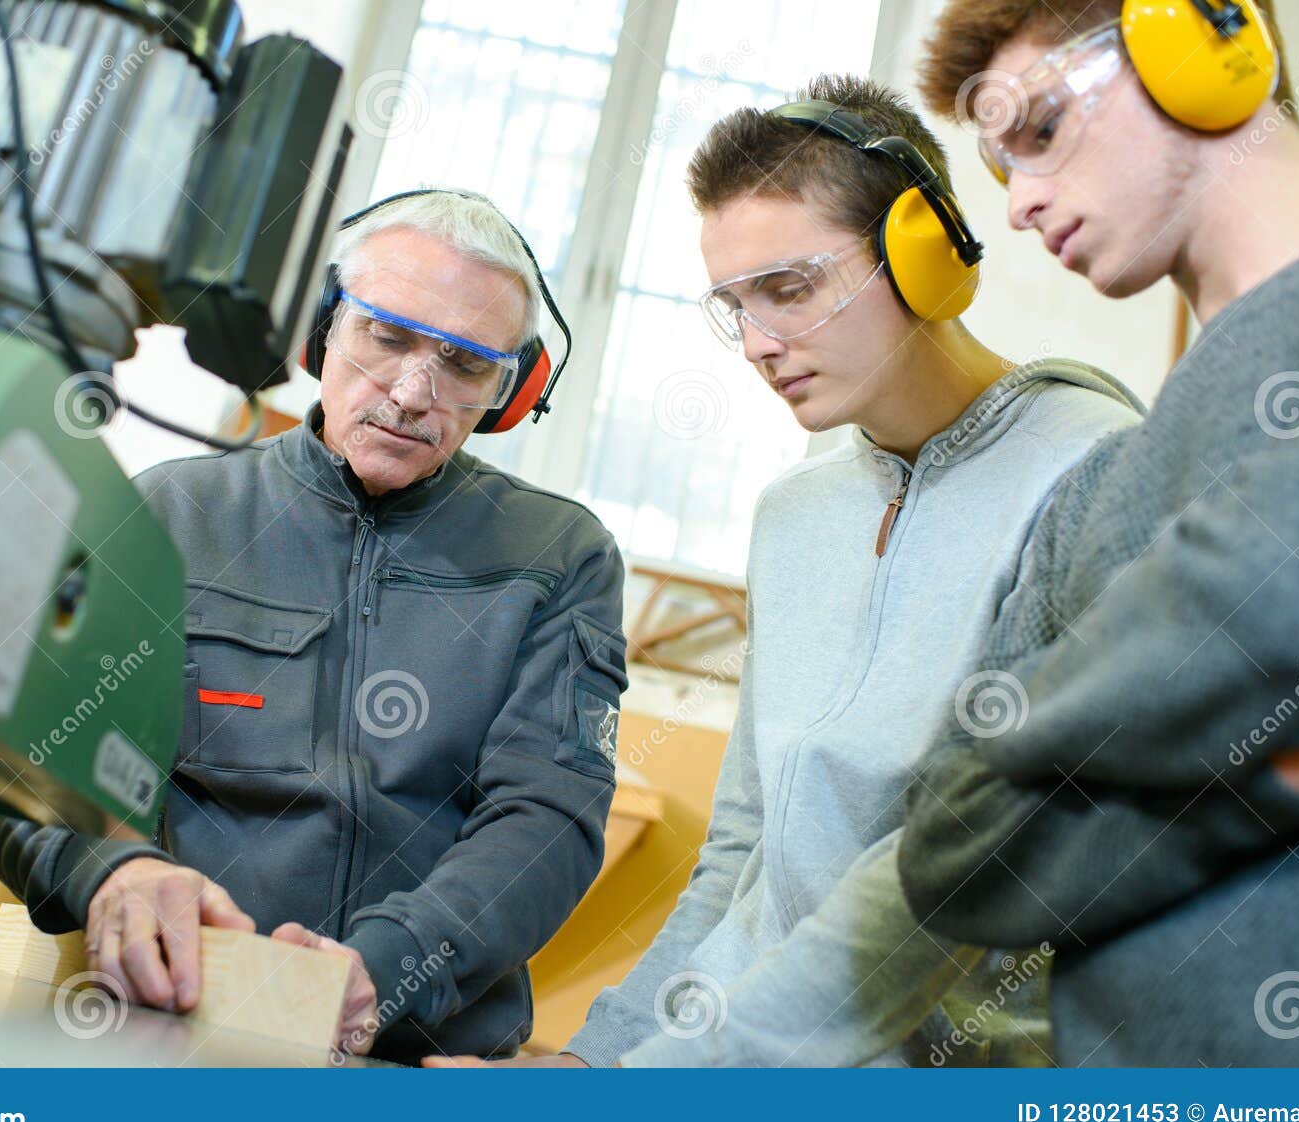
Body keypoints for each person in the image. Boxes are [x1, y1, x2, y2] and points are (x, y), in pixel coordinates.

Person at [432, 76, 1140, 1068]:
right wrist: (600, 1059)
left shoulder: (1096, 470)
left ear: (924, 253)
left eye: (791, 288)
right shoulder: (794, 515)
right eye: (735, 307)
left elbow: (964, 880)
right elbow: (741, 860)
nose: (761, 344)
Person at [0, 190, 630, 1064]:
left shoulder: (561, 555)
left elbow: (545, 820)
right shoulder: (170, 514)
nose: (410, 393)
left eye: (465, 364)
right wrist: (113, 875)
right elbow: (27, 774)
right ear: (320, 332)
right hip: (161, 1043)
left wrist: (386, 972)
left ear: (511, 396)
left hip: (413, 1060)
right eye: (386, 337)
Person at [900, 0, 1299, 1064]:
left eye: (1041, 129)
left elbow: (1276, 592)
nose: (1016, 206)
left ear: (1204, 41)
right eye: (999, 170)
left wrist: (1079, 755)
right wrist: (1275, 778)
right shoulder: (1094, 490)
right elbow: (946, 846)